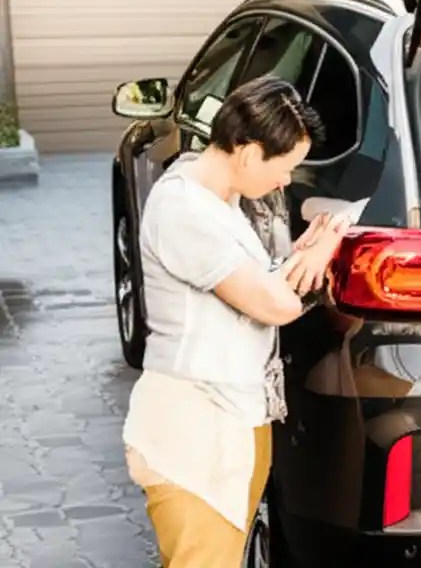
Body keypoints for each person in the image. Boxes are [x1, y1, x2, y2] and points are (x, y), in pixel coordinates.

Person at [122, 76, 350, 566]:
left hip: (235, 417)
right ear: (248, 154)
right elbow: (275, 305)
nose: (286, 181)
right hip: (194, 427)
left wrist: (296, 258)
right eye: (284, 168)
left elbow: (259, 281)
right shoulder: (182, 208)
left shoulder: (223, 200)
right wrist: (316, 258)